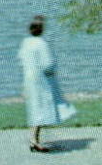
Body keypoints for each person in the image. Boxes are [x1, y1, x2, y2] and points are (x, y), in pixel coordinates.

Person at [18, 15, 75, 152]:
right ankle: (34, 140)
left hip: (29, 79)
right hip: (41, 81)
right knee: (40, 109)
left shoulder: (26, 43)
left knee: (34, 108)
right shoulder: (41, 44)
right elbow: (48, 64)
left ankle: (33, 138)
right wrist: (53, 72)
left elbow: (21, 59)